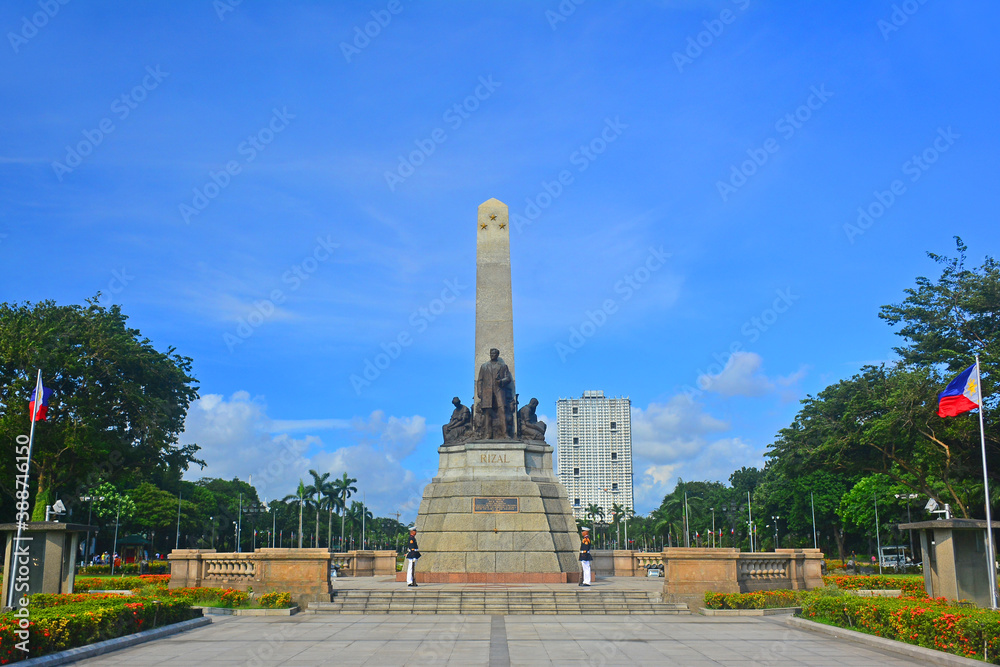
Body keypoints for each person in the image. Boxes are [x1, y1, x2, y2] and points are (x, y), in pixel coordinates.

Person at [477, 348, 512, 439]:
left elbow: (508, 378)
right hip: (487, 393)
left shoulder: (503, 366)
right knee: (488, 413)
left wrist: (501, 381)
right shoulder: (484, 366)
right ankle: (488, 434)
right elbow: (480, 380)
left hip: (499, 391)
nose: (492, 355)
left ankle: (505, 433)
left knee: (502, 411)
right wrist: (479, 391)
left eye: (494, 354)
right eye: (491, 354)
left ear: (497, 355)